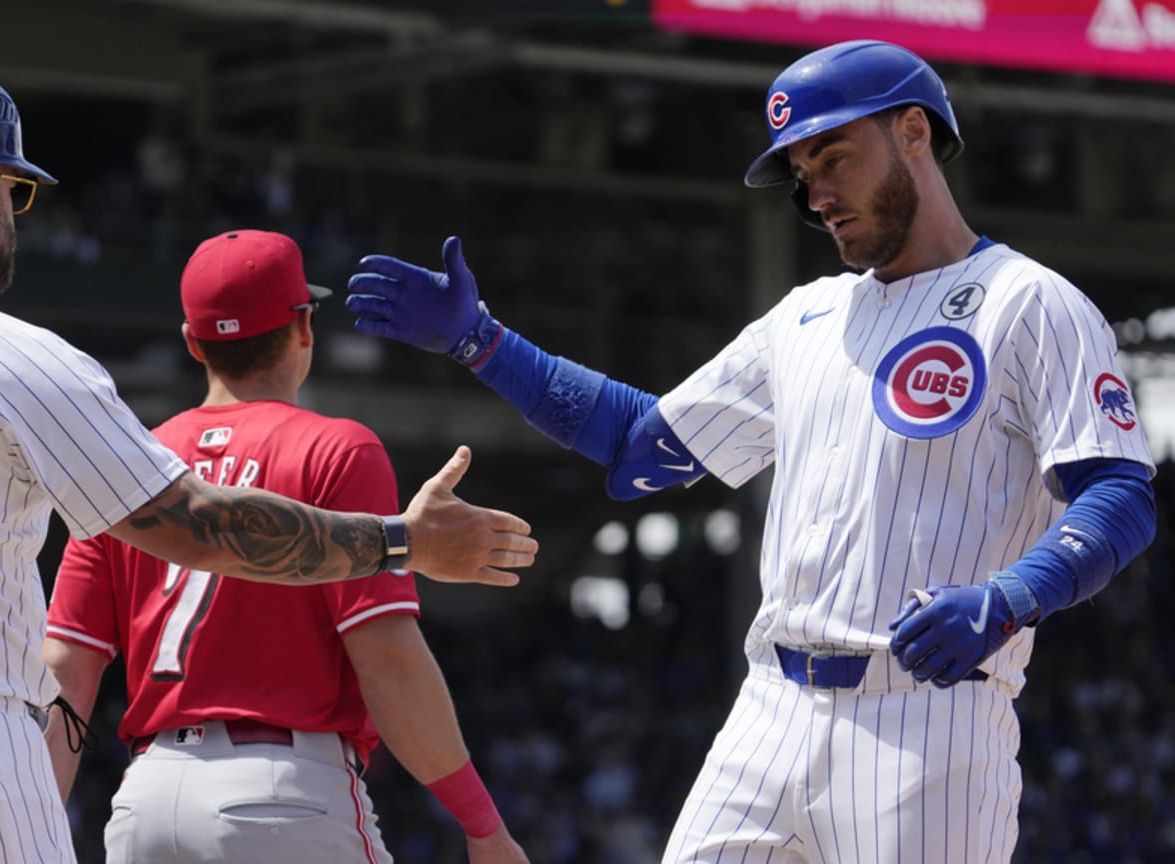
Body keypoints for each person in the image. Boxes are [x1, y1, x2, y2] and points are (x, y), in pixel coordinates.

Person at [0, 65, 536, 864]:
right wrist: (398, 542)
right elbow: (199, 525)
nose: (10, 215)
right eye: (12, 192)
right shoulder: (4, 352)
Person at [344, 40, 1157, 863]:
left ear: (915, 130)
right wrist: (483, 343)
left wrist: (1008, 599)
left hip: (927, 720)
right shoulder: (805, 316)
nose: (818, 194)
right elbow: (640, 444)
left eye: (833, 157)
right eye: (803, 173)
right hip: (770, 711)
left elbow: (1120, 493)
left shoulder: (1033, 303)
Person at [43, 228, 530, 863]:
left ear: (195, 343)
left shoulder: (130, 466)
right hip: (282, 795)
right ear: (304, 326)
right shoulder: (337, 450)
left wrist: (23, 825)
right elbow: (388, 659)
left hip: (148, 802)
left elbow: (64, 677)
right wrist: (483, 825)